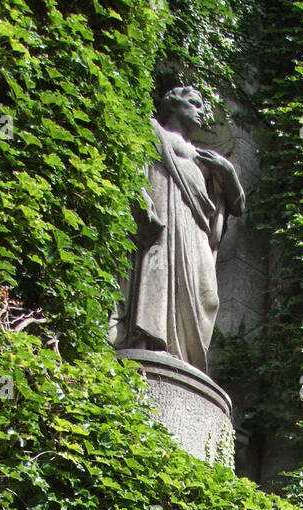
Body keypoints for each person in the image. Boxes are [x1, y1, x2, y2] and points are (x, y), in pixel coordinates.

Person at [110, 86, 245, 374]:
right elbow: (134, 168)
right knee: (157, 273)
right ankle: (148, 344)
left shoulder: (204, 157)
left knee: (208, 297)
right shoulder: (153, 132)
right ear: (173, 105)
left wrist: (228, 170)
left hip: (195, 228)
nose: (202, 112)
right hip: (162, 215)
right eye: (194, 104)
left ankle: (187, 358)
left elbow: (238, 205)